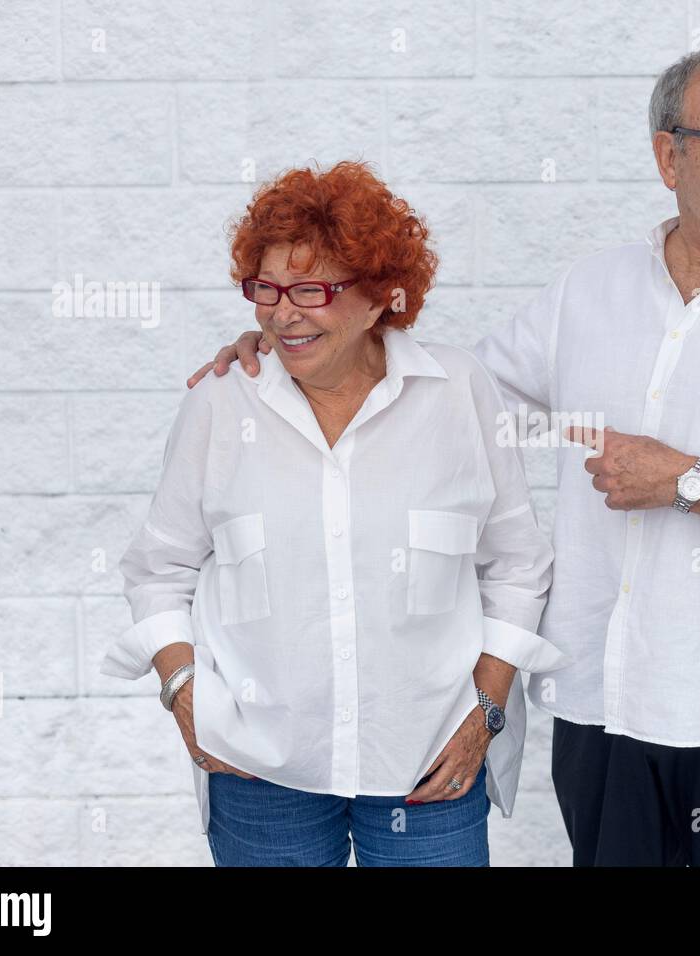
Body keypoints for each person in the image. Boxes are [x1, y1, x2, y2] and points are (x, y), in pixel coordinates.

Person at [190, 42, 700, 866]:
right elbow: (450, 391)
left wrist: (690, 482)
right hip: (604, 701)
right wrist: (302, 336)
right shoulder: (589, 292)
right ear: (668, 155)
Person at [101, 160, 568, 866]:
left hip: (428, 761)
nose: (283, 313)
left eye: (311, 290)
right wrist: (183, 693)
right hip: (260, 768)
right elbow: (159, 567)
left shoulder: (458, 393)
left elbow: (517, 563)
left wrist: (485, 712)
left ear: (381, 296)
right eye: (266, 289)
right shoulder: (221, 403)